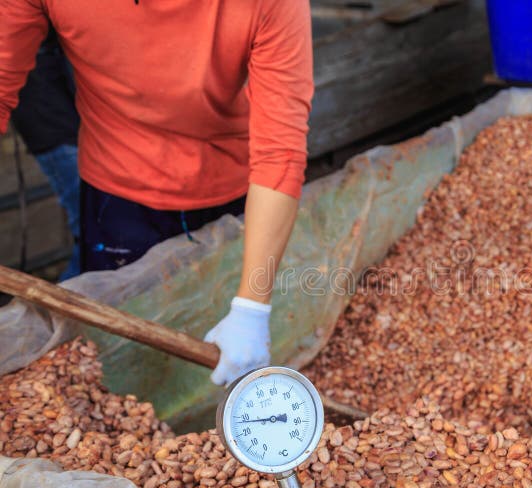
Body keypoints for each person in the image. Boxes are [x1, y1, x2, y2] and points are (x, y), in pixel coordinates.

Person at [0, 1, 314, 386]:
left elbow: (280, 151)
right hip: (118, 191)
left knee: (224, 339)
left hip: (238, 186)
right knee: (119, 366)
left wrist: (251, 308)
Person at [10, 27, 81, 280]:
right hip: (51, 123)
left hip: (71, 117)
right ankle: (60, 311)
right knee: (91, 227)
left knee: (94, 229)